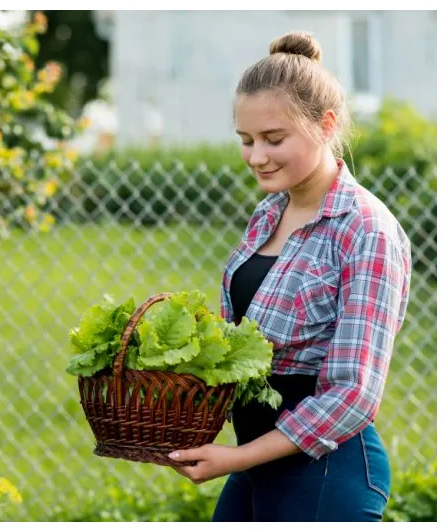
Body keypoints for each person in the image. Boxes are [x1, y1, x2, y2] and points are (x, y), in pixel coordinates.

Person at [166, 31, 412, 521]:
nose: (257, 156)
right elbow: (241, 339)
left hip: (325, 472)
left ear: (326, 125)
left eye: (274, 139)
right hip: (257, 460)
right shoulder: (269, 212)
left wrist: (236, 458)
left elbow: (354, 393)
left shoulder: (366, 230)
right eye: (246, 140)